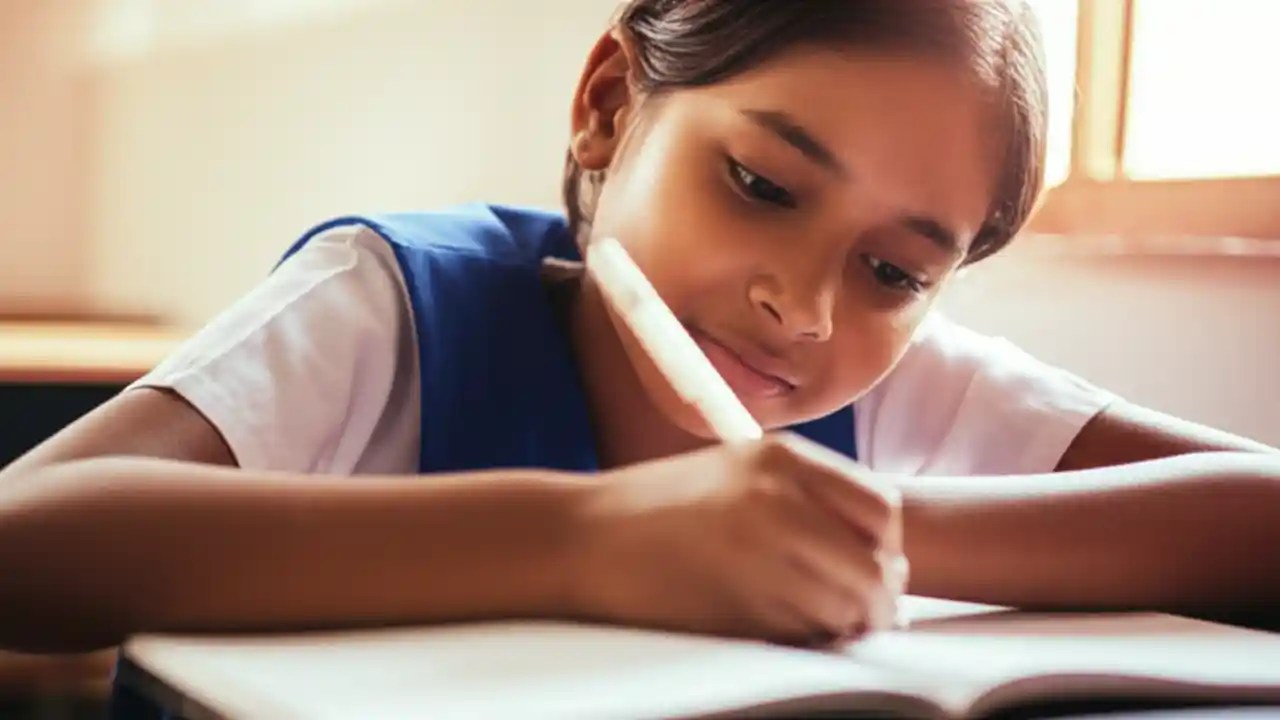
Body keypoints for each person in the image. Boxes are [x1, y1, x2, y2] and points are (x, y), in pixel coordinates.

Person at [1, 1, 1277, 716]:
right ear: (610, 106)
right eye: (761, 185)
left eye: (894, 271)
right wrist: (591, 539)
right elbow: (27, 542)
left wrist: (859, 528)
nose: (805, 310)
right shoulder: (389, 306)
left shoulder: (900, 386)